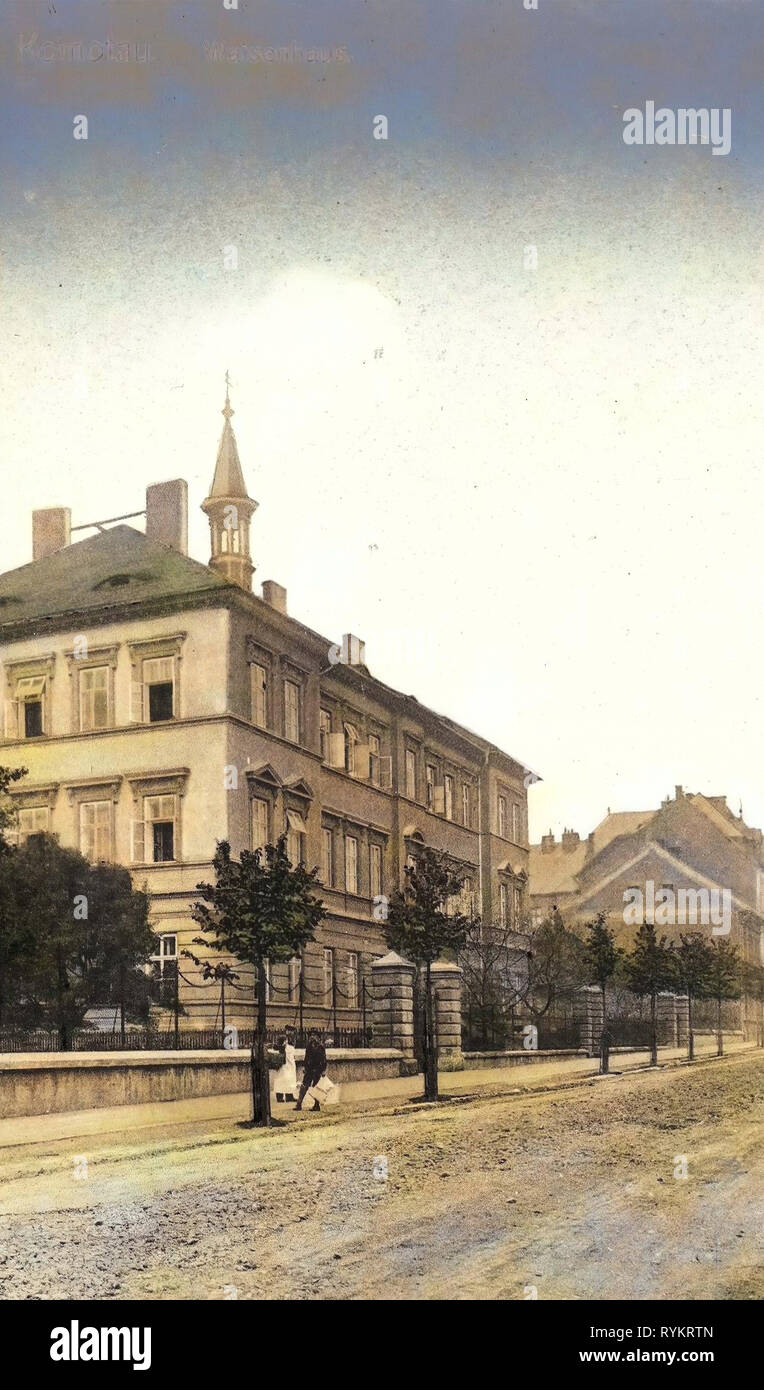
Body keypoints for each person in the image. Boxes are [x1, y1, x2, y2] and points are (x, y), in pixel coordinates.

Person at [295, 1028, 327, 1111]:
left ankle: (317, 1105)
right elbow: (306, 1058)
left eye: (314, 1035)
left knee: (316, 1087)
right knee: (304, 1086)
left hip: (318, 1069)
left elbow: (323, 1059)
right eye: (311, 1035)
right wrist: (305, 1067)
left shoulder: (321, 1047)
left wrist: (323, 1070)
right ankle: (299, 1104)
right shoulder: (309, 1046)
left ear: (317, 1037)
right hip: (309, 1069)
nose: (312, 1037)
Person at [272, 1026, 298, 1103]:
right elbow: (276, 1047)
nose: (291, 1032)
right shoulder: (282, 1039)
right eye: (289, 1030)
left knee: (290, 1080)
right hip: (283, 1064)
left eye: (292, 1031)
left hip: (290, 1064)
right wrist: (283, 1046)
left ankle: (289, 1096)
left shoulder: (292, 1040)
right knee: (281, 1080)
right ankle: (280, 1097)